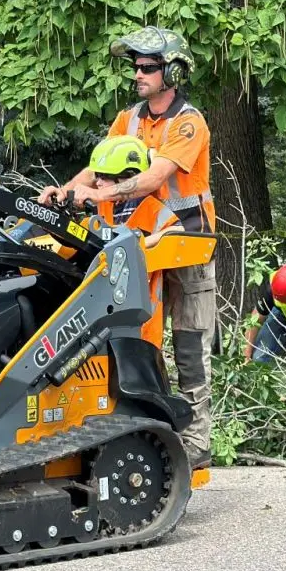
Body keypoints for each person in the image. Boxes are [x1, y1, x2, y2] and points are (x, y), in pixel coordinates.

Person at [38, 26, 216, 468]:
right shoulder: (128, 119)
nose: (138, 73)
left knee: (190, 344)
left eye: (148, 67)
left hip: (186, 243)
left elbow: (154, 178)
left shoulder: (189, 123)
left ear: (172, 72)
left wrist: (101, 194)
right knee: (135, 336)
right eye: (135, 66)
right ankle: (144, 426)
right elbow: (98, 164)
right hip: (140, 242)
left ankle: (196, 443)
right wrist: (66, 192)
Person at [87, 134, 179, 352]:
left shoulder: (150, 207)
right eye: (97, 176)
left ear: (126, 178)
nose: (98, 182)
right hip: (109, 308)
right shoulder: (106, 207)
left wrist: (136, 244)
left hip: (141, 316)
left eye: (104, 177)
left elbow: (176, 230)